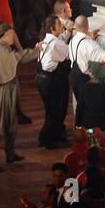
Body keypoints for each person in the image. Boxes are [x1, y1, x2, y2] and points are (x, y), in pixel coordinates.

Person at [0, 23, 42, 172]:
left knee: (11, 124)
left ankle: (10, 153)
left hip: (7, 91)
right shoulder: (0, 49)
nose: (13, 38)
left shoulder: (3, 48)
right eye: (12, 35)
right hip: (0, 93)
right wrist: (36, 51)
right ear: (5, 35)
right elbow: (18, 58)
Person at [36, 12, 72, 149]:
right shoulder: (56, 43)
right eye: (59, 24)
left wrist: (68, 32)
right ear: (52, 28)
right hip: (52, 81)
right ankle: (48, 139)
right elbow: (70, 52)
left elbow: (62, 39)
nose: (62, 26)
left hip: (42, 80)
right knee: (56, 110)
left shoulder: (46, 39)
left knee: (52, 110)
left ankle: (54, 135)